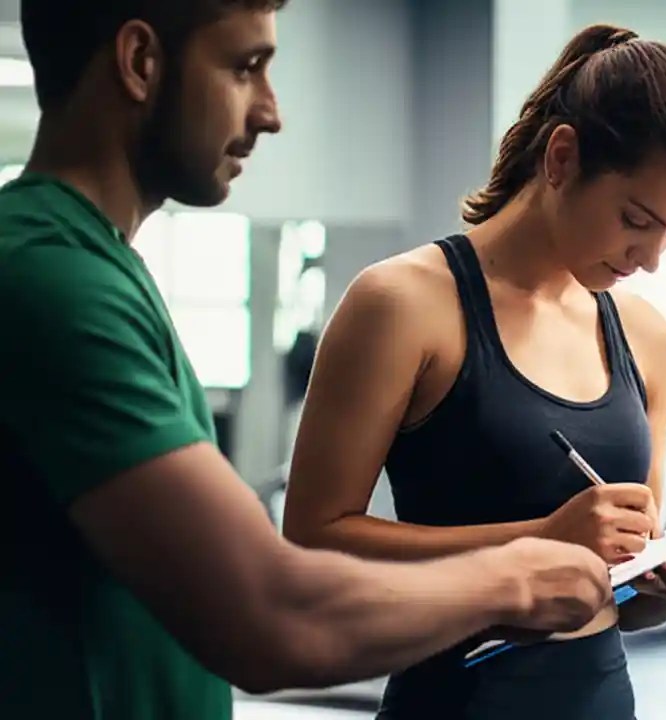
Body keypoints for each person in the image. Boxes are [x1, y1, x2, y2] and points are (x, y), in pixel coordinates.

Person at [0, 2, 616, 718]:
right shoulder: (50, 278)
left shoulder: (100, 267)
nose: (270, 113)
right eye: (245, 67)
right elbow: (273, 617)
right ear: (140, 61)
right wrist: (518, 577)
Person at [281, 23, 666, 720]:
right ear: (562, 157)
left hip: (600, 699)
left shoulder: (644, 335)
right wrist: (539, 538)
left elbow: (622, 602)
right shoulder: (403, 304)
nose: (650, 258)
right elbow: (310, 543)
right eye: (636, 219)